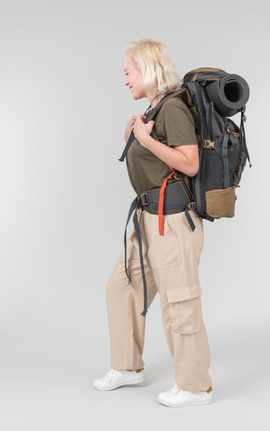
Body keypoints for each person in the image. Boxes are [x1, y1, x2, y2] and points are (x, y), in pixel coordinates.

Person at [93, 39, 213, 408]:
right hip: (148, 218)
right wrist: (136, 138)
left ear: (145, 69)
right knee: (123, 287)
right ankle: (128, 368)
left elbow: (189, 164)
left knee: (179, 301)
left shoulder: (173, 107)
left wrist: (144, 137)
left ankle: (195, 387)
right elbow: (155, 160)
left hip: (173, 221)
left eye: (128, 71)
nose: (125, 79)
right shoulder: (154, 108)